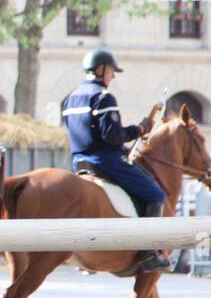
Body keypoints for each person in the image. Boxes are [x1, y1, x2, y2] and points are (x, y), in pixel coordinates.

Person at [62, 47, 168, 274]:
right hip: (104, 160)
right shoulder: (103, 96)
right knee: (155, 194)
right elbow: (111, 135)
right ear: (100, 70)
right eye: (111, 71)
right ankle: (149, 252)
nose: (113, 75)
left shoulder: (70, 98)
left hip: (79, 161)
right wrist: (137, 129)